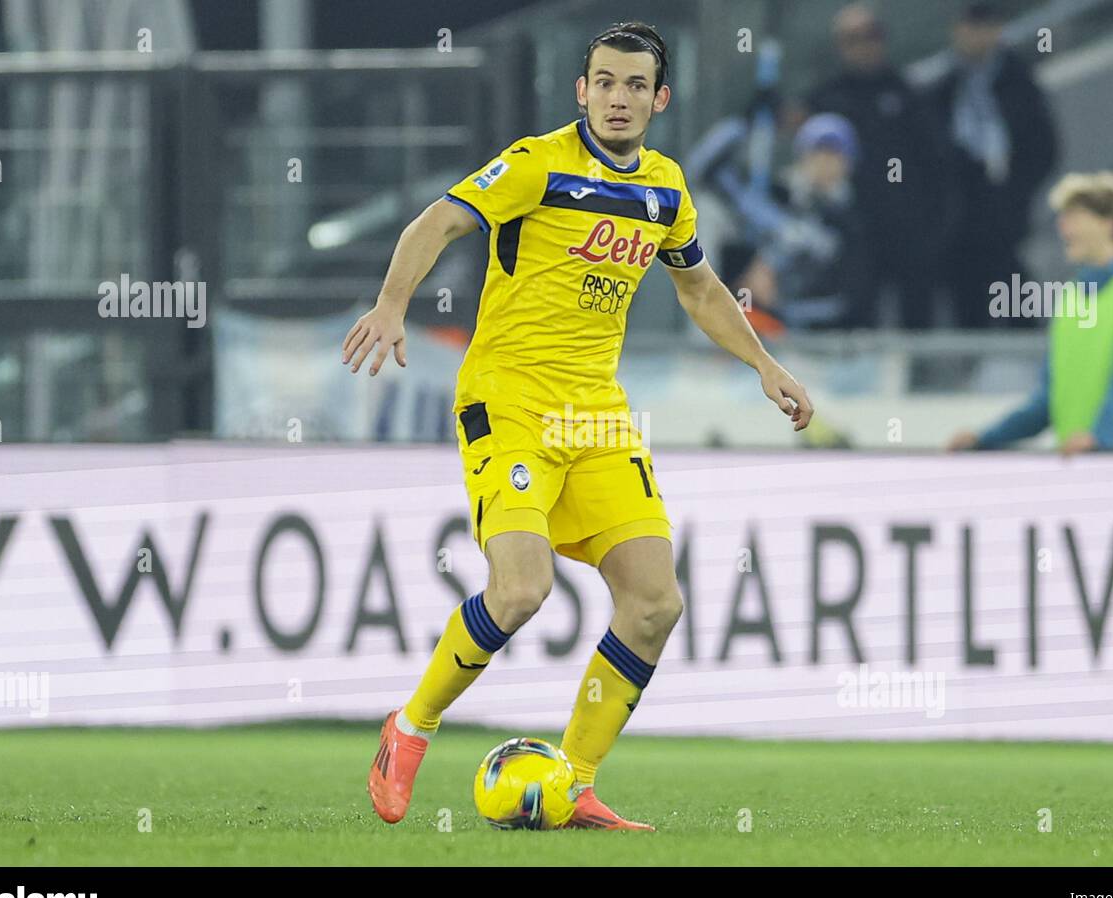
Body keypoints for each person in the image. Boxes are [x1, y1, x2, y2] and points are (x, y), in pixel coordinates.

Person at [341, 21, 814, 830]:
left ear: (660, 99)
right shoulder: (535, 165)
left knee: (655, 602)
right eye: (604, 82)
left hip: (596, 413)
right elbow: (438, 222)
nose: (618, 98)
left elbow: (700, 291)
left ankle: (575, 779)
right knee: (522, 590)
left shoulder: (666, 187)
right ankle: (410, 727)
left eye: (635, 86)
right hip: (511, 399)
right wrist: (392, 302)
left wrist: (763, 364)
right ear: (581, 90)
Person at [947, 172, 1113, 454]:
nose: (1062, 224)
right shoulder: (1072, 294)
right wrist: (984, 438)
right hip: (1081, 461)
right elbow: (1049, 400)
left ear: (1110, 223)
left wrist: (1100, 438)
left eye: (1075, 215)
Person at [806, 2, 950, 329]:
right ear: (840, 45)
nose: (863, 46)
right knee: (852, 317)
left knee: (916, 315)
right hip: (849, 233)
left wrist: (935, 226)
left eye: (870, 36)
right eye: (852, 38)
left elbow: (938, 165)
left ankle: (918, 379)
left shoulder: (909, 94)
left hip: (908, 229)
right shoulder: (826, 98)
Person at [931, 1, 1058, 328]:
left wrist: (1016, 192)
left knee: (1017, 301)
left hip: (1006, 211)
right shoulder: (944, 87)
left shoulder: (1019, 82)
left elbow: (1044, 147)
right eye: (970, 27)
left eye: (984, 27)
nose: (976, 36)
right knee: (968, 307)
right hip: (959, 218)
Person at [735, 113, 872, 329]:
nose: (825, 163)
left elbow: (854, 291)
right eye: (818, 153)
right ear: (803, 156)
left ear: (848, 162)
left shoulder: (856, 215)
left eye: (834, 155)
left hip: (833, 332)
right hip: (770, 326)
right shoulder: (777, 198)